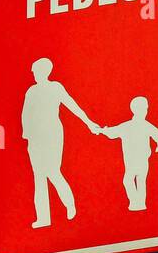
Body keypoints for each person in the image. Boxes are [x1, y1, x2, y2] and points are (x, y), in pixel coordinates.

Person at [21, 57, 99, 228]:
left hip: (53, 133)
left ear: (43, 71)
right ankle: (43, 218)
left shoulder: (55, 87)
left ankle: (69, 204)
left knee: (52, 171)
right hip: (36, 137)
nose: (33, 73)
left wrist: (89, 123)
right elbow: (25, 114)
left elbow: (72, 106)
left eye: (35, 70)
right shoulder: (31, 91)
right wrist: (27, 135)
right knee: (38, 177)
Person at [100, 96, 158, 211]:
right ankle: (139, 203)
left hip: (135, 160)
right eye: (145, 109)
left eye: (146, 109)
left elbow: (112, 132)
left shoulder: (128, 126)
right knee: (140, 180)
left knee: (129, 180)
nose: (146, 111)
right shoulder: (143, 125)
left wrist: (102, 130)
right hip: (141, 160)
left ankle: (136, 202)